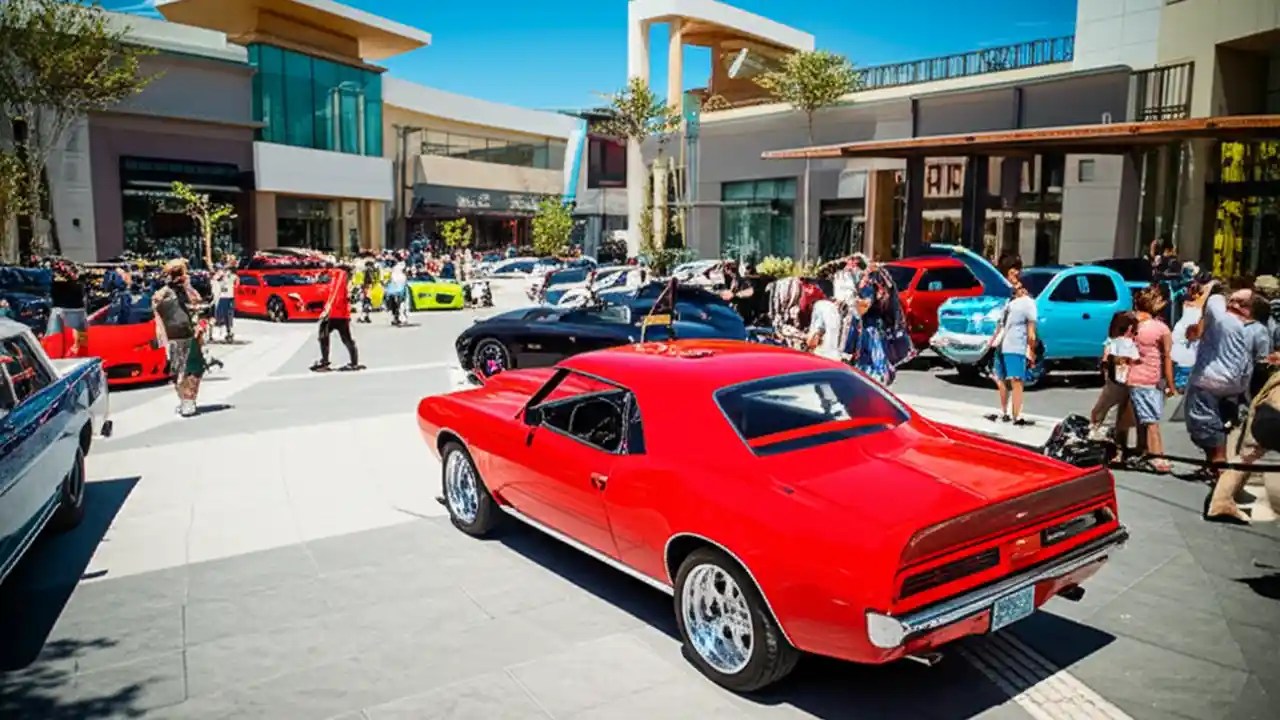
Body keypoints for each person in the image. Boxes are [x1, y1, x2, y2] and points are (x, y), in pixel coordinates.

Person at [1183, 283, 1257, 483]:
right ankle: (1214, 464)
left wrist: (1212, 288)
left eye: (1238, 302)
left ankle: (1219, 464)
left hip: (1211, 379)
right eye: (1232, 300)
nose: (1232, 304)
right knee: (1221, 423)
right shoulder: (1254, 328)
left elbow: (1213, 301)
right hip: (1236, 382)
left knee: (1203, 422)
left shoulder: (1225, 320)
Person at [1126, 288, 1177, 473]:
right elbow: (1168, 357)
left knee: (1143, 418)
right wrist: (1171, 385)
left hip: (1133, 377)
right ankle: (1158, 457)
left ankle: (1143, 449)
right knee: (1152, 421)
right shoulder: (1160, 328)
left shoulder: (1131, 325)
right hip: (1151, 379)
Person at [152, 259, 206, 418]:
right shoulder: (162, 294)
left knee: (194, 369)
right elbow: (156, 314)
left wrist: (187, 285)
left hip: (190, 334)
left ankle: (189, 400)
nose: (179, 277)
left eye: (180, 273)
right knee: (179, 371)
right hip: (174, 337)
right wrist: (161, 339)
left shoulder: (186, 291)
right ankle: (185, 401)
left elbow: (197, 300)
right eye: (177, 273)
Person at [987, 279, 1038, 425]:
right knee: (1017, 381)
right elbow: (1031, 331)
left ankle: (1004, 412)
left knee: (1002, 380)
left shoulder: (1009, 304)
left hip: (1002, 345)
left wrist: (991, 344)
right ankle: (1017, 416)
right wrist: (1032, 350)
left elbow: (999, 326)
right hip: (1016, 345)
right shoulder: (1028, 303)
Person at [1090, 311, 1139, 439]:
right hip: (1125, 380)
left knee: (1105, 408)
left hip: (1114, 380)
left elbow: (1105, 359)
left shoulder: (1112, 341)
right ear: (1129, 328)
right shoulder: (1127, 343)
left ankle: (1096, 429)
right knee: (1121, 412)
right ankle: (1118, 442)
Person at [311, 264, 361, 372]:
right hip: (342, 314)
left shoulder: (339, 276)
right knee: (346, 339)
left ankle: (325, 361)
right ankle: (354, 362)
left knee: (323, 336)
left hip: (333, 313)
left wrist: (327, 308)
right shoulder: (348, 279)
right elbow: (349, 297)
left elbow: (334, 293)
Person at [1171, 281, 1204, 392]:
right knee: (1191, 354)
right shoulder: (1201, 304)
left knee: (1181, 354)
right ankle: (1185, 381)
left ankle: (1178, 381)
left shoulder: (1186, 302)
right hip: (1192, 330)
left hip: (1182, 328)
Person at [798, 281, 843, 361]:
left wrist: (806, 347)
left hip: (822, 355)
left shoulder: (818, 306)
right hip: (834, 355)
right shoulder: (832, 306)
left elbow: (816, 334)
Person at [211, 265, 237, 343]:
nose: (226, 271)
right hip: (221, 298)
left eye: (227, 270)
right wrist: (220, 276)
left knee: (228, 316)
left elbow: (235, 279)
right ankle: (216, 333)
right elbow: (214, 280)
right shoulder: (218, 277)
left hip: (229, 298)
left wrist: (226, 276)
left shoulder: (232, 277)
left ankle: (229, 332)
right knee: (218, 315)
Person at [384, 262, 408, 326]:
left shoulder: (394, 273)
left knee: (397, 304)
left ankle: (397, 318)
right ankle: (398, 318)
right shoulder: (400, 274)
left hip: (394, 291)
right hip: (397, 290)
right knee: (399, 304)